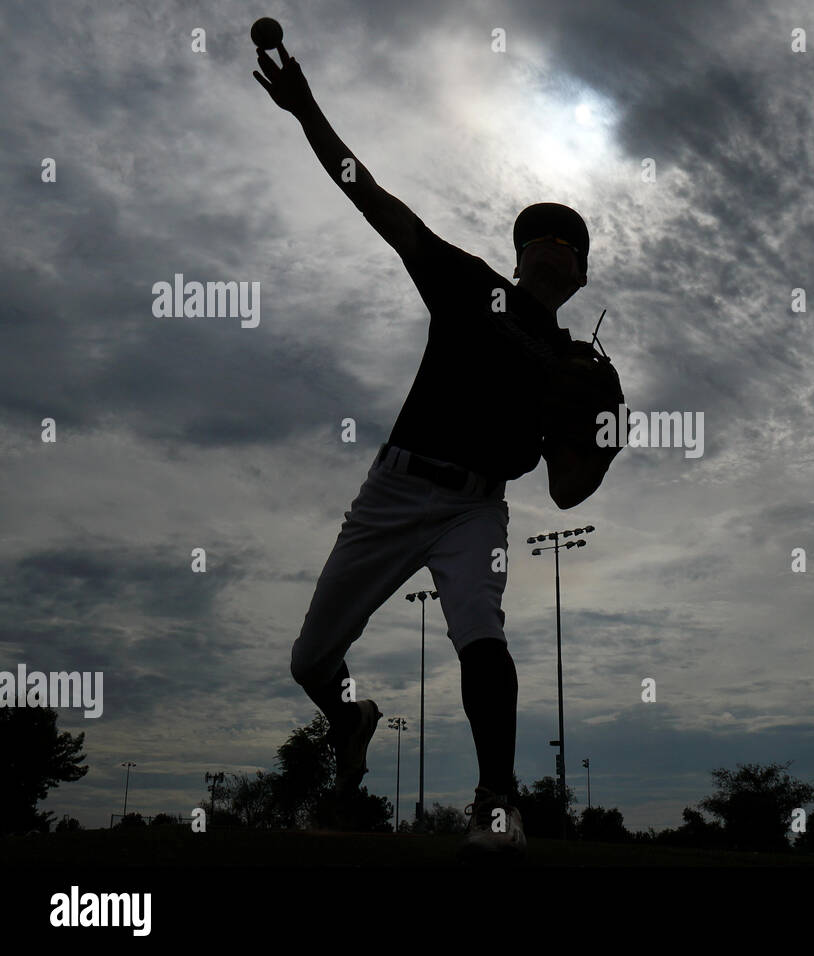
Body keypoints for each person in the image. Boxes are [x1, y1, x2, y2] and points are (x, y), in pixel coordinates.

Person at [254, 40, 622, 858]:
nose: (555, 247)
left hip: (474, 508)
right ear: (521, 253)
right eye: (541, 236)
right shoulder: (471, 285)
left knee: (481, 637)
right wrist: (307, 111)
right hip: (395, 489)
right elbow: (375, 202)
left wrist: (606, 440)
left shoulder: (575, 369)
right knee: (312, 659)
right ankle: (350, 717)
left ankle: (497, 803)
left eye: (570, 242)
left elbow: (566, 494)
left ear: (583, 272)